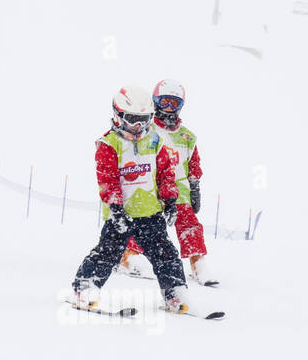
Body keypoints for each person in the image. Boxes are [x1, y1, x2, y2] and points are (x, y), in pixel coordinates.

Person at [72, 86, 189, 312]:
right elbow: (108, 179)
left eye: (144, 121)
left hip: (150, 213)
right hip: (121, 215)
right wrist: (116, 208)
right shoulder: (109, 145)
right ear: (118, 116)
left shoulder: (154, 141)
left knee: (166, 255)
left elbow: (166, 173)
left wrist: (170, 200)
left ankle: (175, 294)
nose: (138, 127)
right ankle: (84, 290)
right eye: (133, 120)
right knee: (106, 255)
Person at [119, 79, 216, 285]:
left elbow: (193, 163)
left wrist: (195, 187)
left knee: (189, 222)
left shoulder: (186, 136)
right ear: (156, 102)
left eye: (175, 104)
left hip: (178, 188)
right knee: (145, 222)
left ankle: (197, 261)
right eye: (165, 103)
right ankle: (129, 255)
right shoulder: (147, 129)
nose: (169, 109)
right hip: (151, 184)